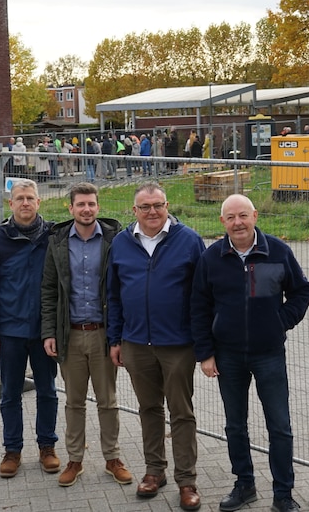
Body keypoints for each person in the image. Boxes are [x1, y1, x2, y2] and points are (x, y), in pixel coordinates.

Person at [190, 194, 309, 512]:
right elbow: (199, 306)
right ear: (222, 222)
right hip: (227, 355)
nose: (238, 222)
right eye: (230, 217)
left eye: (243, 215)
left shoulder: (277, 252)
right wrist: (205, 353)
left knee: (280, 426)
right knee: (235, 425)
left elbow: (302, 290)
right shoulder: (212, 258)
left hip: (269, 354)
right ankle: (244, 484)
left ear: (255, 216)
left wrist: (280, 322)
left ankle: (283, 494)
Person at [106, 182, 206, 511]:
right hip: (135, 343)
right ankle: (154, 471)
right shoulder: (121, 243)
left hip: (178, 344)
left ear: (167, 206)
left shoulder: (188, 240)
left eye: (158, 205)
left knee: (182, 412)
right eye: (145, 207)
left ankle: (187, 480)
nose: (152, 212)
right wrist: (115, 339)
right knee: (148, 409)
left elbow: (203, 295)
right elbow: (114, 296)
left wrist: (202, 341)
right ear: (133, 210)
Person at [40, 183, 133, 488]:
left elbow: (120, 289)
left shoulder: (113, 240)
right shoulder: (57, 242)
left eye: (91, 204)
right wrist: (49, 332)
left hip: (103, 334)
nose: (86, 209)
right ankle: (75, 460)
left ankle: (113, 458)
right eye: (80, 204)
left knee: (108, 401)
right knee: (74, 402)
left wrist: (118, 337)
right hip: (71, 335)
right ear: (70, 208)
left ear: (98, 206)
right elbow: (49, 290)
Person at [0, 179, 59, 479]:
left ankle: (47, 446)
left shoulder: (53, 237)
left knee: (47, 391)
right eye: (19, 198)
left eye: (30, 198)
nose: (25, 203)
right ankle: (12, 450)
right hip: (9, 332)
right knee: (10, 394)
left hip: (44, 332)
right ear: (10, 204)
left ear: (39, 202)